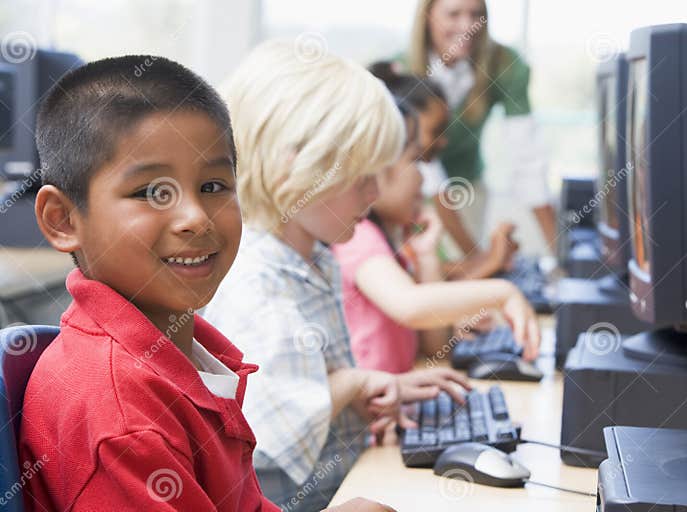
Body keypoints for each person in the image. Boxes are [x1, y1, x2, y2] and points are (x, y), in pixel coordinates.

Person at [21, 54, 391, 512]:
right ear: (62, 219)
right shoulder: (121, 418)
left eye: (214, 186)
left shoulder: (185, 350)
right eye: (152, 192)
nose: (195, 218)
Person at [203, 40, 463, 511]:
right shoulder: (257, 280)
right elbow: (272, 430)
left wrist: (369, 392)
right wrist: (357, 384)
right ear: (297, 167)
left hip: (341, 484)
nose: (375, 191)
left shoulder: (314, 258)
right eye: (363, 177)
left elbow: (309, 385)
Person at [332, 97, 540, 376]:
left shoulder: (387, 241)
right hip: (373, 412)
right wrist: (503, 293)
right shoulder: (358, 239)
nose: (423, 178)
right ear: (376, 169)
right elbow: (409, 305)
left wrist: (427, 253)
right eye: (415, 160)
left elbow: (435, 342)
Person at [399, 0, 557, 254]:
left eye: (476, 15)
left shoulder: (504, 63)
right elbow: (428, 174)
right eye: (453, 14)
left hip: (468, 187)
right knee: (431, 268)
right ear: (427, 17)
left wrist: (559, 254)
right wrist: (479, 260)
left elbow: (528, 160)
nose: (468, 26)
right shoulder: (402, 71)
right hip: (412, 191)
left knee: (463, 274)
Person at [368, 61, 519, 280]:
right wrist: (491, 262)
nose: (444, 142)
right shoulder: (369, 237)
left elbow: (434, 276)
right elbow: (421, 298)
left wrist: (491, 260)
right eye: (436, 131)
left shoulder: (411, 204)